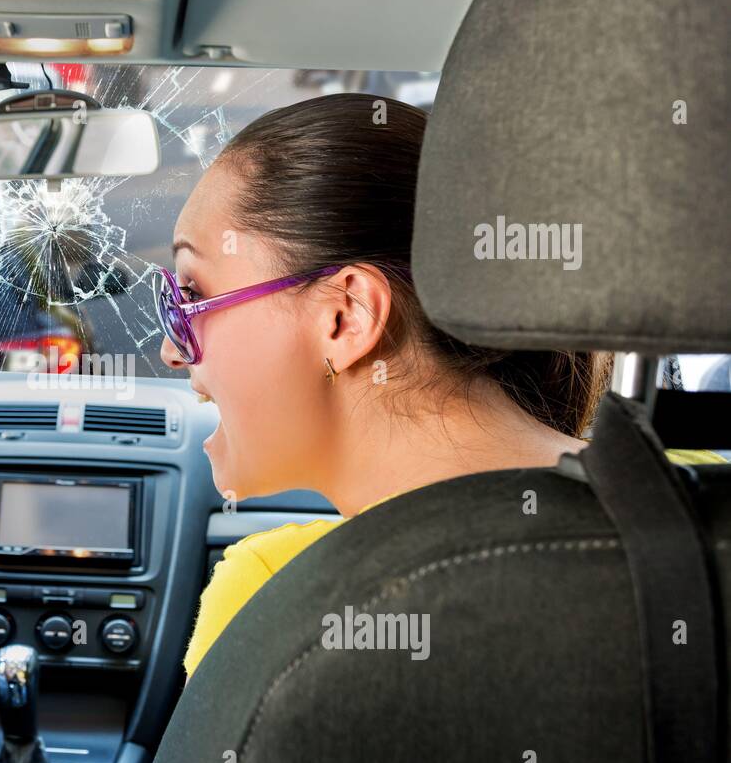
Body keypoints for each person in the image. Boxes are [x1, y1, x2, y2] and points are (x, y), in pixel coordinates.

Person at [152, 94, 722, 679]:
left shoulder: (277, 594)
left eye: (191, 297)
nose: (171, 349)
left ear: (345, 317)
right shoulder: (706, 497)